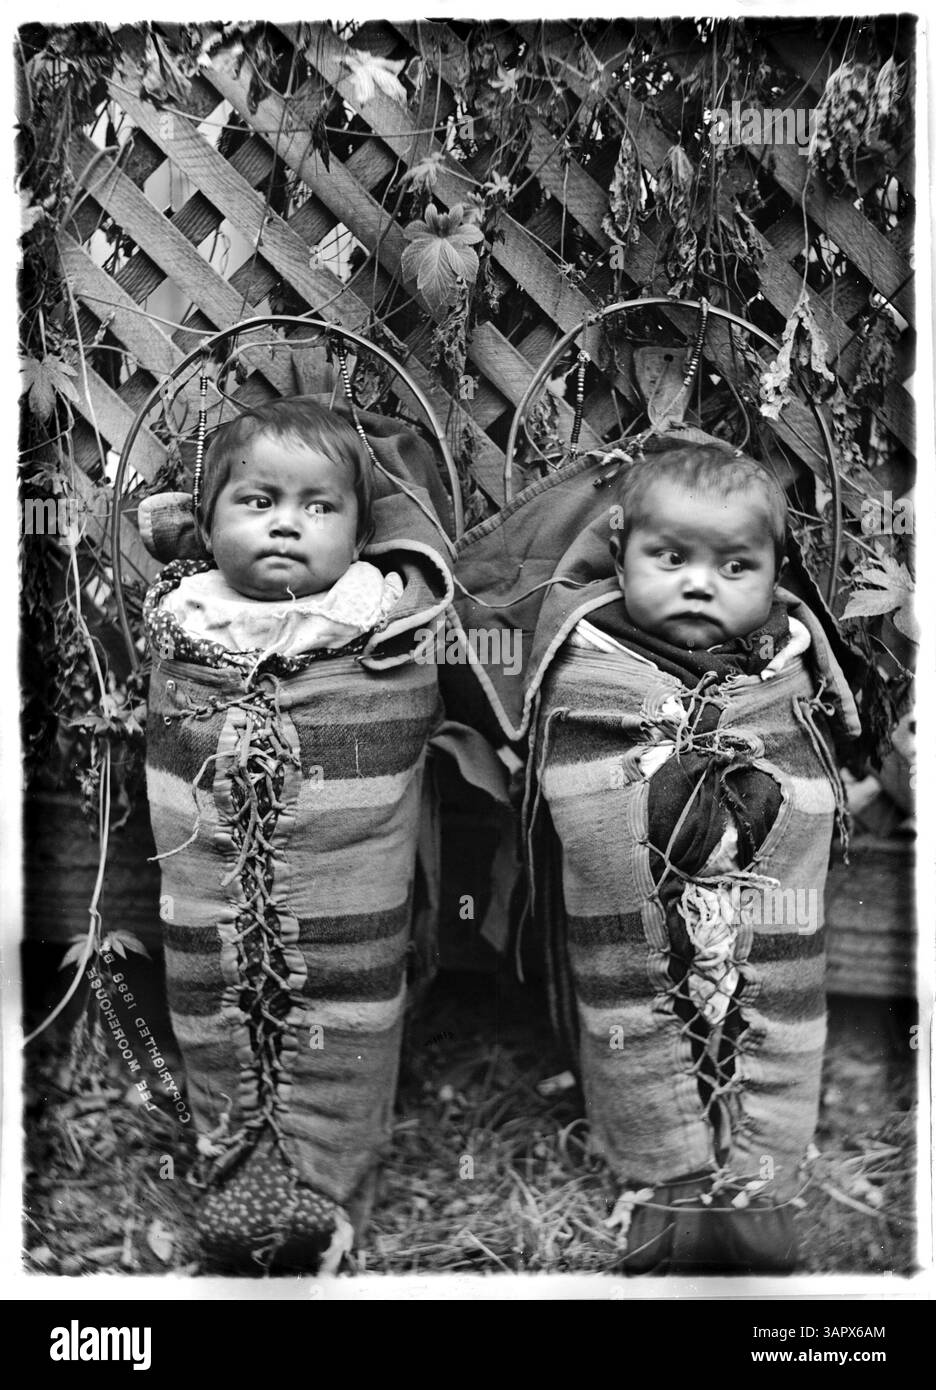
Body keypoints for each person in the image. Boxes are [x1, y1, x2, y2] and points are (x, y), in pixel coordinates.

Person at [529, 443, 858, 1274]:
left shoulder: (785, 661)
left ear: (777, 573)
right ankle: (666, 1175)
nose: (699, 583)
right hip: (646, 916)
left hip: (754, 916)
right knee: (633, 1009)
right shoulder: (592, 655)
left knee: (775, 1001)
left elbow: (806, 779)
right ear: (620, 551)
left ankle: (758, 1177)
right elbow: (580, 776)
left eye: (735, 565)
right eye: (669, 558)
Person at [141, 398, 450, 1274]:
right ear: (205, 522)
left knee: (345, 974)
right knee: (212, 964)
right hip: (213, 859)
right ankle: (234, 1149)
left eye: (320, 507)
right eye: (258, 501)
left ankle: (328, 1164)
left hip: (341, 846)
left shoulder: (369, 614)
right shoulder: (189, 619)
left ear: (357, 535)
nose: (287, 522)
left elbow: (396, 699)